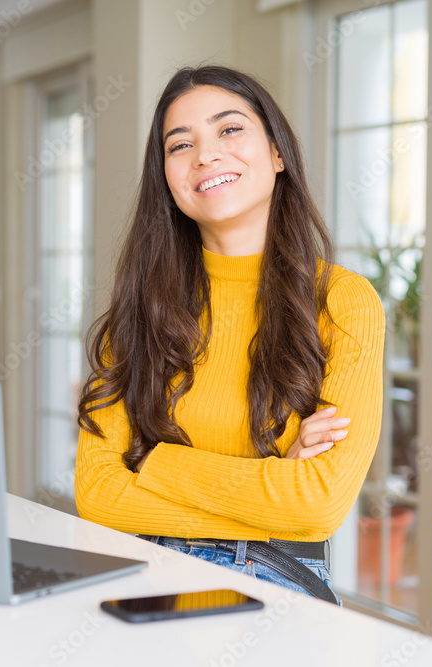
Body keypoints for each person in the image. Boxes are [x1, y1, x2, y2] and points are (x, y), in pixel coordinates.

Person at [74, 64, 385, 606]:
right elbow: (98, 495)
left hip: (273, 578)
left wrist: (152, 461)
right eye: (180, 144)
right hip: (145, 574)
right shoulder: (138, 314)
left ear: (278, 152)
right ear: (166, 179)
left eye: (230, 129)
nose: (206, 155)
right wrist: (270, 483)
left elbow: (318, 506)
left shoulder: (343, 301)